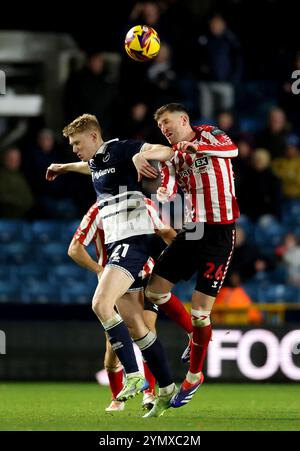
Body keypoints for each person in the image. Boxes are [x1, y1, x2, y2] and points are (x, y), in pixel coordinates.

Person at [46, 113, 188, 417]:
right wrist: (65, 168)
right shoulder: (98, 162)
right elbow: (92, 168)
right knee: (137, 326)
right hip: (117, 245)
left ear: (95, 138)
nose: (73, 148)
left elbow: (166, 151)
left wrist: (142, 156)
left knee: (100, 302)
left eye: (76, 143)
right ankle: (165, 387)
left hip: (132, 240)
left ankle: (135, 375)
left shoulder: (122, 149)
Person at [132, 102, 240, 409]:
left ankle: (194, 375)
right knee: (154, 290)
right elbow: (164, 183)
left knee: (201, 311)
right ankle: (195, 335)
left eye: (168, 122)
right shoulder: (173, 154)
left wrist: (199, 149)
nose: (165, 129)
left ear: (184, 119)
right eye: (160, 126)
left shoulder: (209, 133)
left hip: (220, 232)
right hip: (193, 230)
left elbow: (231, 150)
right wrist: (146, 165)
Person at [68, 198, 177, 412]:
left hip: (144, 276)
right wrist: (100, 270)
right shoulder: (98, 210)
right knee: (112, 349)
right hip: (116, 281)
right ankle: (118, 398)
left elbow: (165, 233)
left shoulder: (141, 203)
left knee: (146, 327)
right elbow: (74, 249)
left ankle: (150, 392)